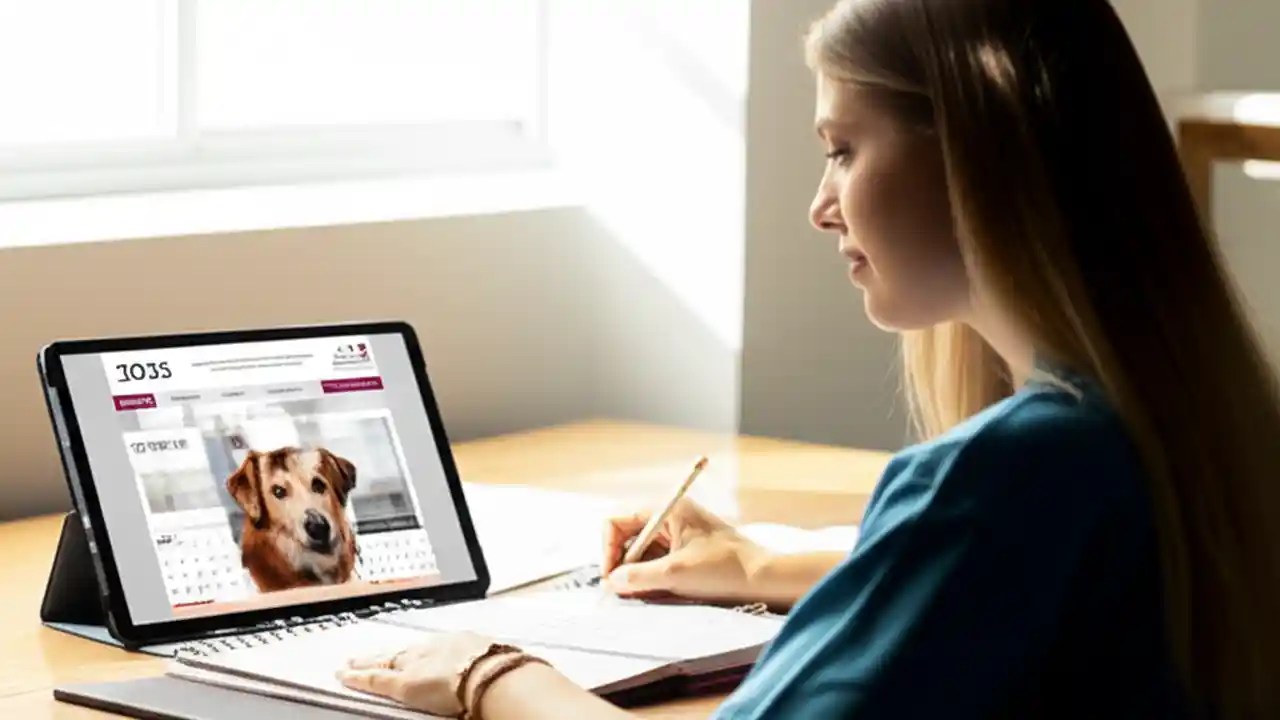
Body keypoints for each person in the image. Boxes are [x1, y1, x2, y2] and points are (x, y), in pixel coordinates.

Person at [336, 0, 1280, 717]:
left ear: (976, 155)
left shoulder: (1008, 474)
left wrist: (491, 673)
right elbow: (1014, 577)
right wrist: (762, 559)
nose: (822, 206)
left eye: (841, 149)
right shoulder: (1176, 425)